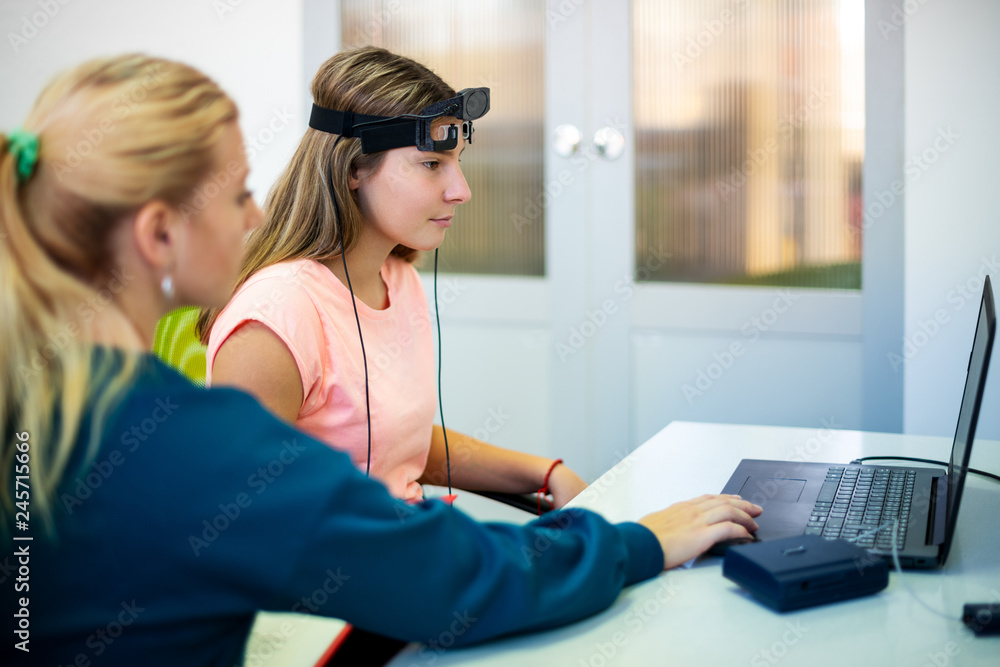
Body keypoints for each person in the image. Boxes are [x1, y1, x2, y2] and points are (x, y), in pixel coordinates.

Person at [0, 53, 761, 665]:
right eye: (236, 195)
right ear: (160, 233)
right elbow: (447, 576)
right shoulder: (192, 441)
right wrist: (642, 540)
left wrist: (541, 474)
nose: (256, 216)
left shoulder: (46, 408)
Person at [200, 46, 588, 507]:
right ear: (352, 171)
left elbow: (399, 441)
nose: (461, 190)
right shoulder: (276, 319)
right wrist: (399, 534)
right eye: (432, 164)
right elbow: (244, 517)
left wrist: (546, 473)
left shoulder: (397, 280)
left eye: (457, 161)